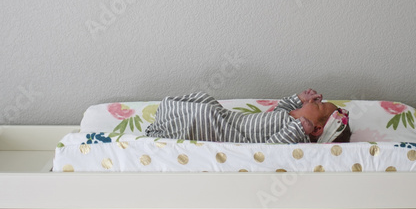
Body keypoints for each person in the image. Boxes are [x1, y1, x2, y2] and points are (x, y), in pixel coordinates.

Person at [143, 89, 350, 144]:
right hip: (230, 118)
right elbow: (280, 109)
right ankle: (167, 119)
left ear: (316, 129)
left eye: (320, 105)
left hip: (231, 134)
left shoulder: (296, 136)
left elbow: (271, 149)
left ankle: (163, 134)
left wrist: (297, 130)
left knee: (203, 115)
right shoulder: (287, 117)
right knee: (204, 100)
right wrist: (297, 99)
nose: (315, 101)